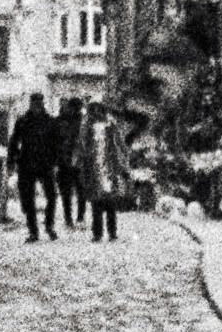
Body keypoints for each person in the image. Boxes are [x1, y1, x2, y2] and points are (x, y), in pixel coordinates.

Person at [9, 91, 61, 240]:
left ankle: (49, 225)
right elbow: (14, 142)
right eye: (34, 103)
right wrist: (12, 160)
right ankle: (33, 230)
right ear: (31, 104)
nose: (37, 105)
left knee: (51, 196)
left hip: (45, 163)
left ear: (42, 103)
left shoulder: (50, 122)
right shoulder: (23, 121)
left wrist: (56, 161)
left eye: (39, 102)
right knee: (27, 199)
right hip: (27, 163)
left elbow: (56, 143)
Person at [86, 104, 132, 241]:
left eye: (99, 110)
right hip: (94, 167)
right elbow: (83, 146)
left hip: (109, 166)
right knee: (96, 202)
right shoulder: (88, 127)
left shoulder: (111, 127)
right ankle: (97, 233)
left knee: (110, 201)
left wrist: (122, 163)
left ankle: (111, 232)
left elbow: (120, 146)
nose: (97, 113)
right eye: (94, 110)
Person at [54, 92, 87, 229]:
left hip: (72, 161)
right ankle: (73, 218)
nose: (77, 110)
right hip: (67, 162)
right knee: (74, 192)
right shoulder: (62, 122)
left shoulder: (82, 122)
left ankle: (75, 218)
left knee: (75, 191)